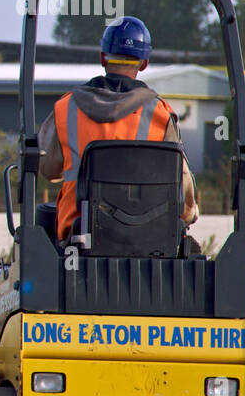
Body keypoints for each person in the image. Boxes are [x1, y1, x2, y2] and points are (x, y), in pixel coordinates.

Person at [39, 15, 198, 241]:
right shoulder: (161, 114)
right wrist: (190, 213)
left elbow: (47, 169)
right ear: (144, 63)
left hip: (77, 237)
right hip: (147, 241)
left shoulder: (66, 108)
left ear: (103, 57)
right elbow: (181, 183)